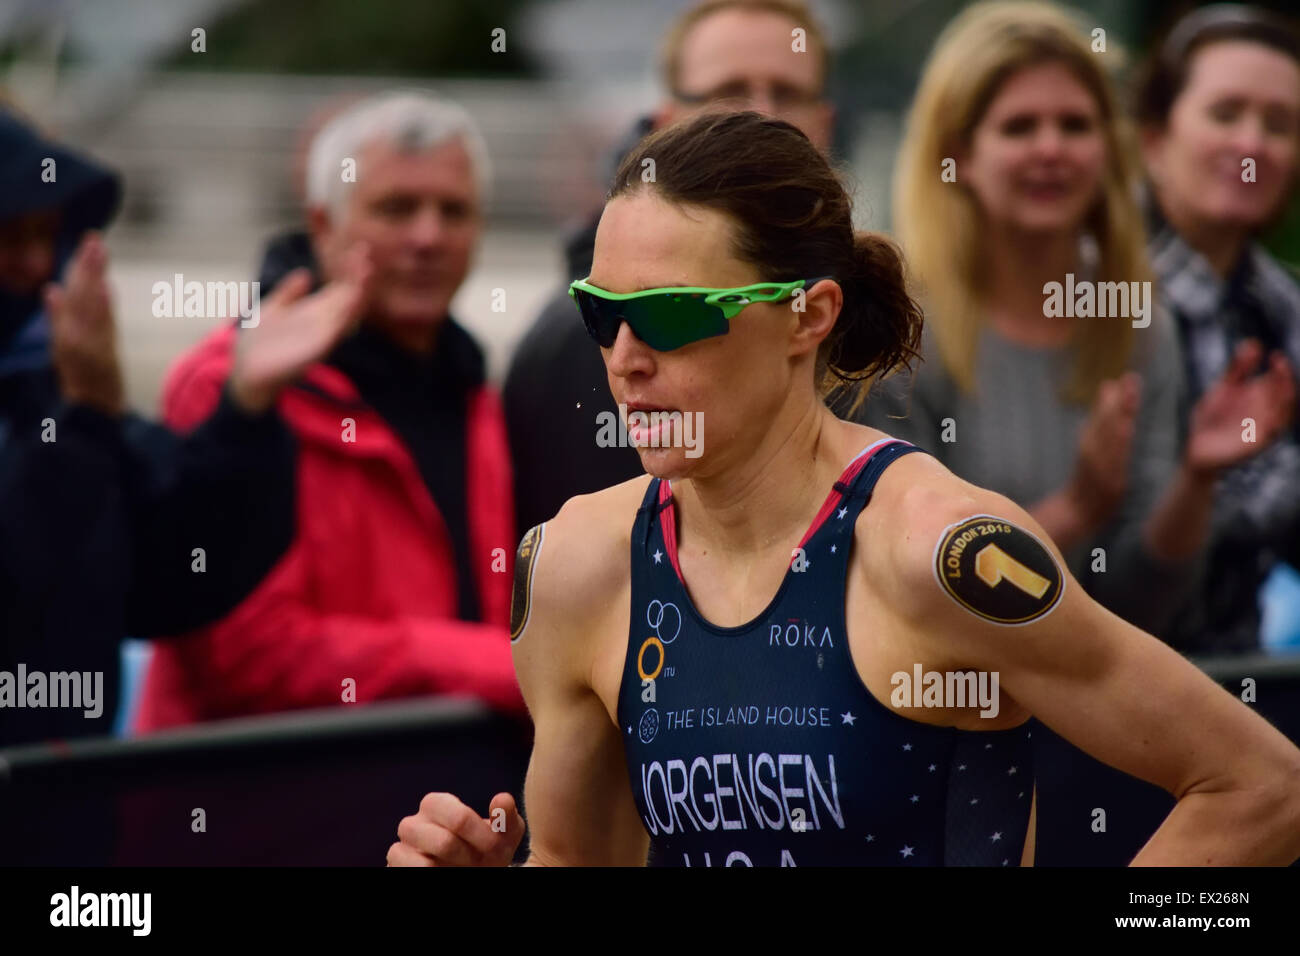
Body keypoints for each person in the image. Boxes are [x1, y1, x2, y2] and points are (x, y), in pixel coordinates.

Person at [386, 111, 1300, 867]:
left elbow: (1262, 788)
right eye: (603, 313)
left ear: (807, 314)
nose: (626, 360)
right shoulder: (578, 565)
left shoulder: (941, 552)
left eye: (669, 315)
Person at [856, 1, 1292, 640]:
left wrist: (1198, 477)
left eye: (1075, 125)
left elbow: (1140, 607)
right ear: (960, 156)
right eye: (1019, 127)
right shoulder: (895, 326)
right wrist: (1076, 510)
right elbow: (910, 592)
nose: (1052, 149)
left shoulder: (1135, 320)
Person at [135, 91, 525, 731]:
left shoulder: (474, 391)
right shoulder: (227, 389)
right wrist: (499, 666)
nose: (428, 236)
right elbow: (247, 658)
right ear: (322, 225)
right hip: (257, 809)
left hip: (436, 799)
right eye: (396, 208)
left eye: (453, 211)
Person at [0, 105, 355, 746]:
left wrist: (246, 410)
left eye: (46, 237)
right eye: (11, 236)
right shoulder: (65, 398)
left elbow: (174, 571)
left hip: (64, 815)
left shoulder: (39, 385)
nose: (34, 266)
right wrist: (83, 418)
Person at [503, 0, 836, 536]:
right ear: (663, 122)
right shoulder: (570, 349)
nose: (762, 115)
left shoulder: (882, 310)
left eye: (787, 93)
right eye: (728, 92)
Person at [1136, 4, 1300, 654]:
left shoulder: (1284, 310)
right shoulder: (1082, 295)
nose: (1253, 144)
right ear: (1154, 140)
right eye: (1225, 113)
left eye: (1280, 123)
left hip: (1242, 690)